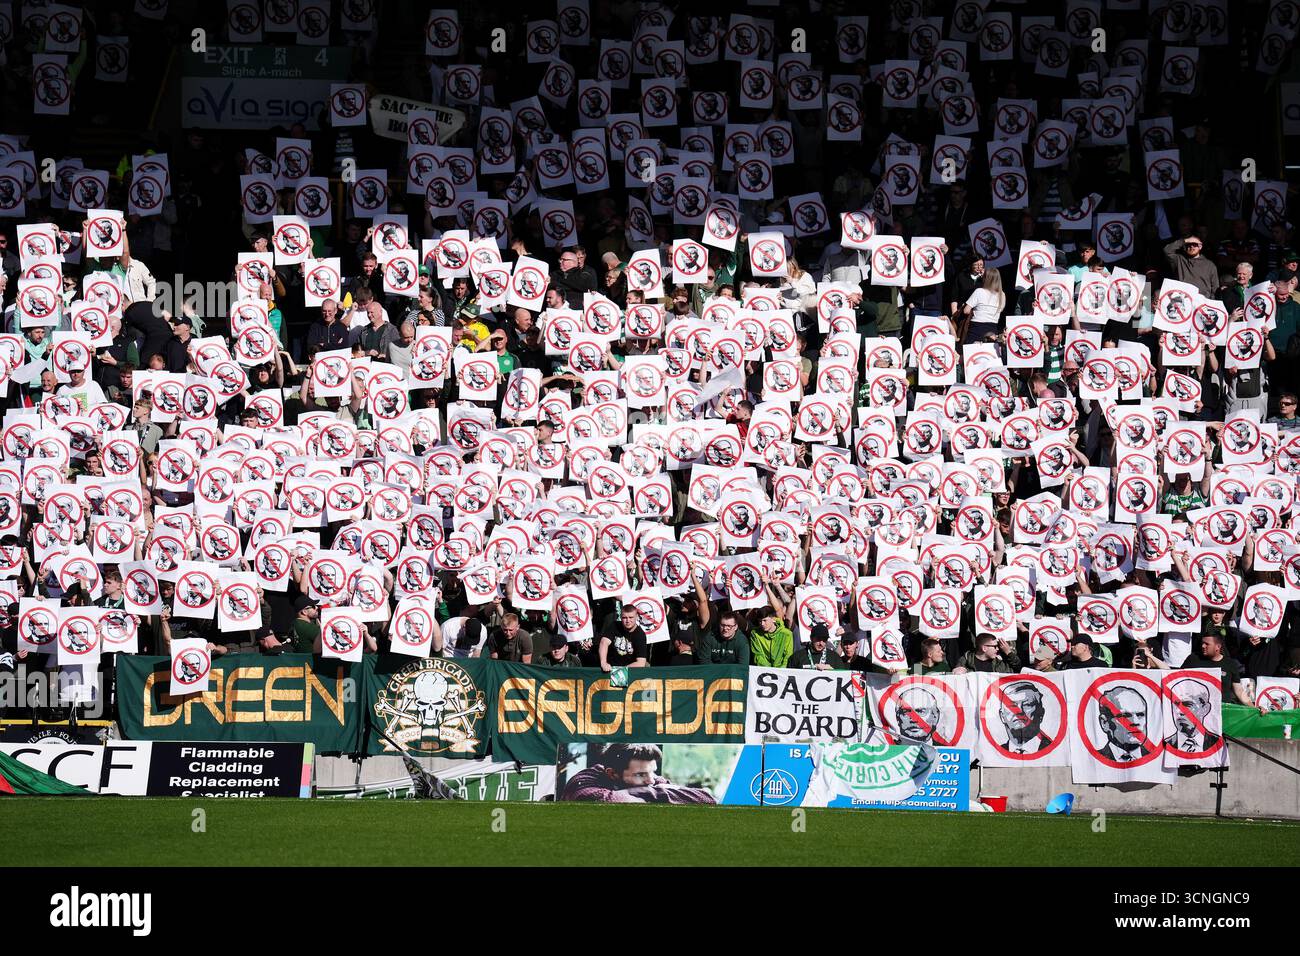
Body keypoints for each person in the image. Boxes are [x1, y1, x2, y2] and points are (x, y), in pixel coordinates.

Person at [561, 744, 716, 804]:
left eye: (653, 772)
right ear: (612, 774)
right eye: (640, 775)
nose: (650, 780)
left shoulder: (653, 779)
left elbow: (706, 798)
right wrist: (658, 794)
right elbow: (599, 800)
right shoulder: (584, 779)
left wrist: (652, 791)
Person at [991, 680, 1053, 755]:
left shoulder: (1056, 751)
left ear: (1041, 713)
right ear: (1002, 716)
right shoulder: (993, 754)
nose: (1019, 711)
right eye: (1012, 706)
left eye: (1027, 705)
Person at [1162, 677, 1222, 753]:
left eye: (1186, 705)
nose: (1178, 711)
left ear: (1205, 709)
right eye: (1175, 705)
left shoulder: (1216, 743)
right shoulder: (1164, 745)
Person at [1096, 685, 1154, 763]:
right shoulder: (1093, 761)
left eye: (1140, 715)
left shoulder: (1157, 760)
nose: (1135, 722)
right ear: (1104, 723)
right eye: (1125, 716)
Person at [1163, 233, 1219, 297]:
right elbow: (1167, 250)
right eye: (1189, 245)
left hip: (1203, 301)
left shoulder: (1210, 265)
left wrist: (1210, 302)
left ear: (1200, 246)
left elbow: (1215, 288)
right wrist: (1184, 240)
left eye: (1194, 244)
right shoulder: (1179, 260)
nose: (1191, 246)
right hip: (1183, 299)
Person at [598, 604, 648, 671]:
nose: (628, 621)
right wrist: (603, 663)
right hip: (609, 668)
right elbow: (604, 642)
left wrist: (621, 670)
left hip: (629, 671)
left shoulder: (640, 635)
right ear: (621, 617)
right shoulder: (615, 625)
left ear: (637, 617)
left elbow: (641, 662)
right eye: (624, 618)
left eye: (631, 617)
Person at [953, 633, 1022, 674]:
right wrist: (957, 672)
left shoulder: (1000, 662)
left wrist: (1008, 652)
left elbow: (1018, 668)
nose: (997, 649)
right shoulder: (965, 660)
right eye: (995, 646)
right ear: (984, 648)